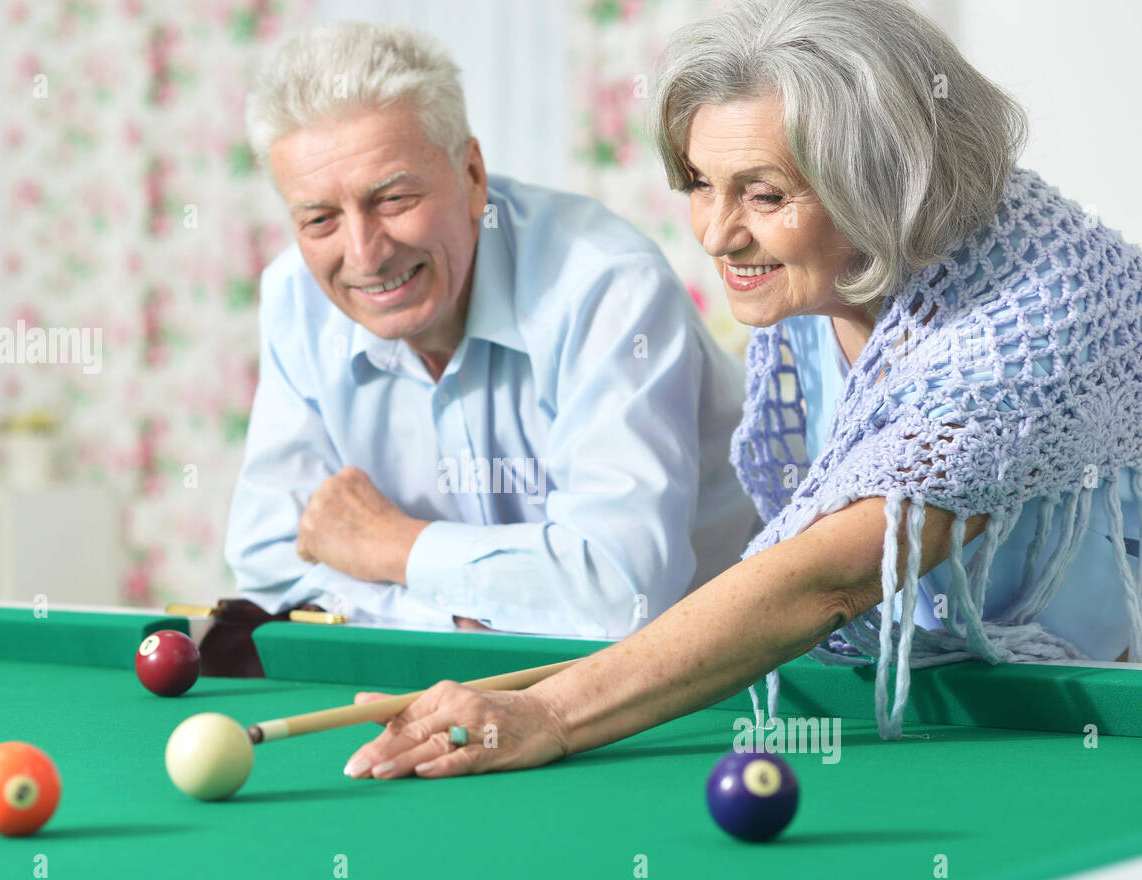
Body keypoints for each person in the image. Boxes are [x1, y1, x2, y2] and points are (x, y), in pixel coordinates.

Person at [341, 0, 1142, 781]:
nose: (718, 234)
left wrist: (552, 713)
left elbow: (830, 576)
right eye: (699, 182)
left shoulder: (1036, 316)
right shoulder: (822, 271)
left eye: (763, 195)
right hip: (970, 708)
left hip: (1108, 719)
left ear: (888, 182)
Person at [224, 21, 760, 640]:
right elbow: (268, 569)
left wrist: (398, 549)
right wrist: (457, 613)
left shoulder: (606, 287)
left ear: (473, 175)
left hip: (708, 687)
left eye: (394, 199)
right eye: (319, 219)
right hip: (463, 693)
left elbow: (622, 593)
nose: (365, 255)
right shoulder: (295, 297)